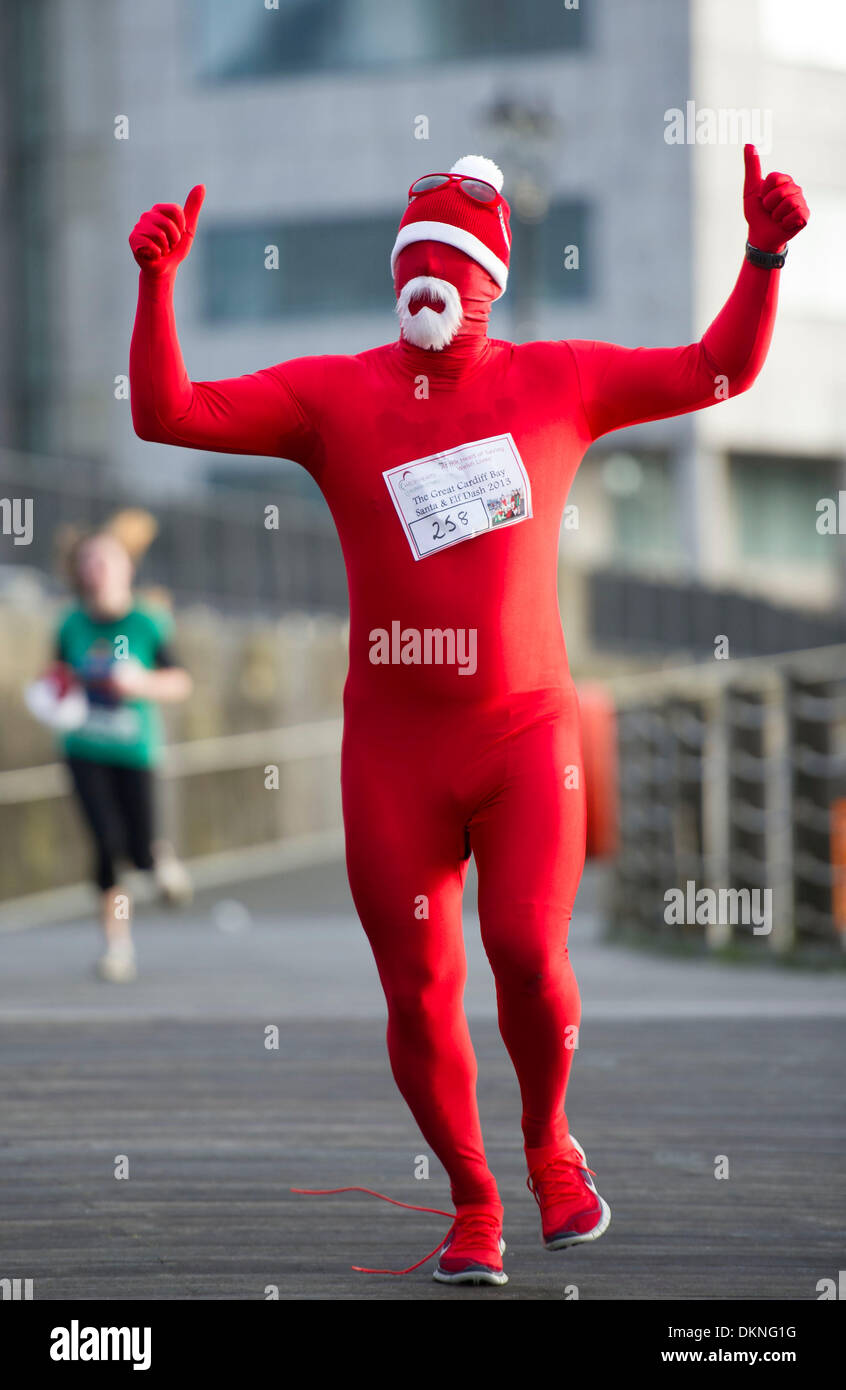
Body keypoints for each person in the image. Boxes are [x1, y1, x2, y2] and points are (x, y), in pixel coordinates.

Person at [127, 147, 808, 1284]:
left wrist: (764, 254)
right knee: (420, 989)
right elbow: (166, 412)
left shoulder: (558, 377)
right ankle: (475, 1196)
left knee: (525, 951)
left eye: (456, 258)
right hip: (392, 752)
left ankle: (549, 1145)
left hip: (525, 731)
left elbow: (715, 371)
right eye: (415, 258)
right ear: (396, 274)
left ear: (494, 274)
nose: (432, 277)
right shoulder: (336, 393)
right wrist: (158, 287)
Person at [50, 510, 193, 982]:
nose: (98, 569)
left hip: (135, 750)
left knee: (139, 854)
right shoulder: (70, 624)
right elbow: (53, 679)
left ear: (126, 566)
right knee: (106, 844)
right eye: (88, 562)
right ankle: (118, 948)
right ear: (79, 572)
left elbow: (180, 682)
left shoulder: (147, 622)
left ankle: (159, 857)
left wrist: (140, 683)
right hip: (84, 749)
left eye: (107, 560)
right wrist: (51, 694)